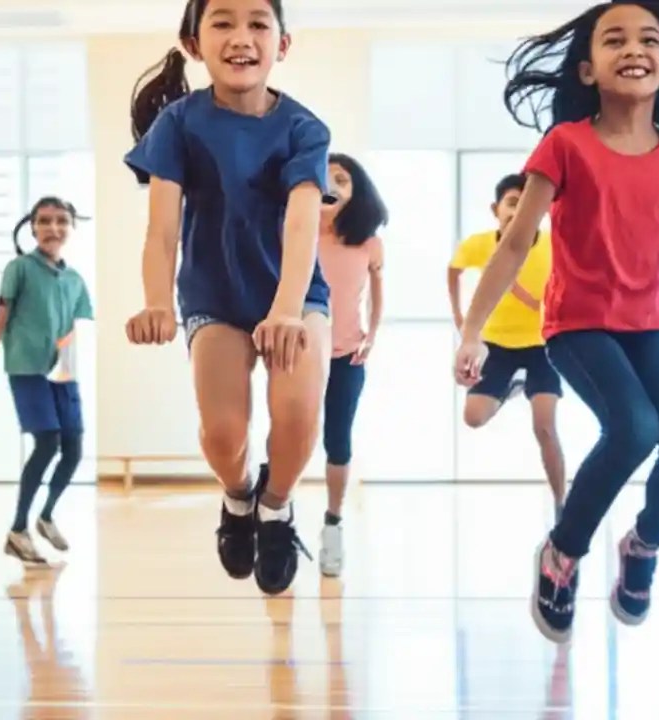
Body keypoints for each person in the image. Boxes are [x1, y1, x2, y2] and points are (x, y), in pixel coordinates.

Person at [454, 0, 659, 643]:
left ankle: (642, 547)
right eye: (614, 39)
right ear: (588, 70)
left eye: (649, 40)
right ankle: (563, 553)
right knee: (635, 427)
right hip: (578, 326)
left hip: (651, 327)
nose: (633, 48)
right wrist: (471, 331)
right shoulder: (565, 146)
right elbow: (516, 242)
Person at [123, 0, 331, 596]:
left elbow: (301, 225)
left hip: (294, 296)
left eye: (258, 23)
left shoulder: (303, 129)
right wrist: (157, 301)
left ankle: (276, 506)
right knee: (222, 433)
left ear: (282, 45)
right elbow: (162, 228)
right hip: (214, 296)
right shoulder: (179, 125)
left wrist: (287, 310)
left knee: (296, 413)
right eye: (222, 22)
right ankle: (239, 496)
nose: (241, 36)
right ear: (194, 42)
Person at [0, 197, 95, 566]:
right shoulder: (19, 269)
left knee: (73, 449)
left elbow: (75, 328)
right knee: (47, 442)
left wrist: (71, 370)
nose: (53, 227)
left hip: (63, 372)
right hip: (26, 368)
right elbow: (1, 317)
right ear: (32, 227)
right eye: (44, 221)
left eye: (61, 221)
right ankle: (17, 529)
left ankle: (46, 517)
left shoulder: (75, 280)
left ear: (71, 228)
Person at [448, 172, 566, 513]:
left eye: (527, 204)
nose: (518, 211)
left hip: (542, 346)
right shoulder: (478, 244)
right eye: (512, 203)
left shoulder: (554, 244)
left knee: (545, 427)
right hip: (496, 345)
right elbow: (454, 270)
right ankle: (512, 386)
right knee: (473, 417)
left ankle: (561, 503)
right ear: (495, 209)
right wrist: (461, 319)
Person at [316, 152, 387, 577]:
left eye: (341, 179)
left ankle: (333, 523)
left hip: (347, 356)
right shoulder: (296, 233)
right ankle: (276, 517)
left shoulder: (368, 242)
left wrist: (373, 335)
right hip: (301, 357)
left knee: (337, 442)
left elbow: (379, 293)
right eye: (323, 178)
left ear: (355, 190)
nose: (332, 185)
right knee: (286, 437)